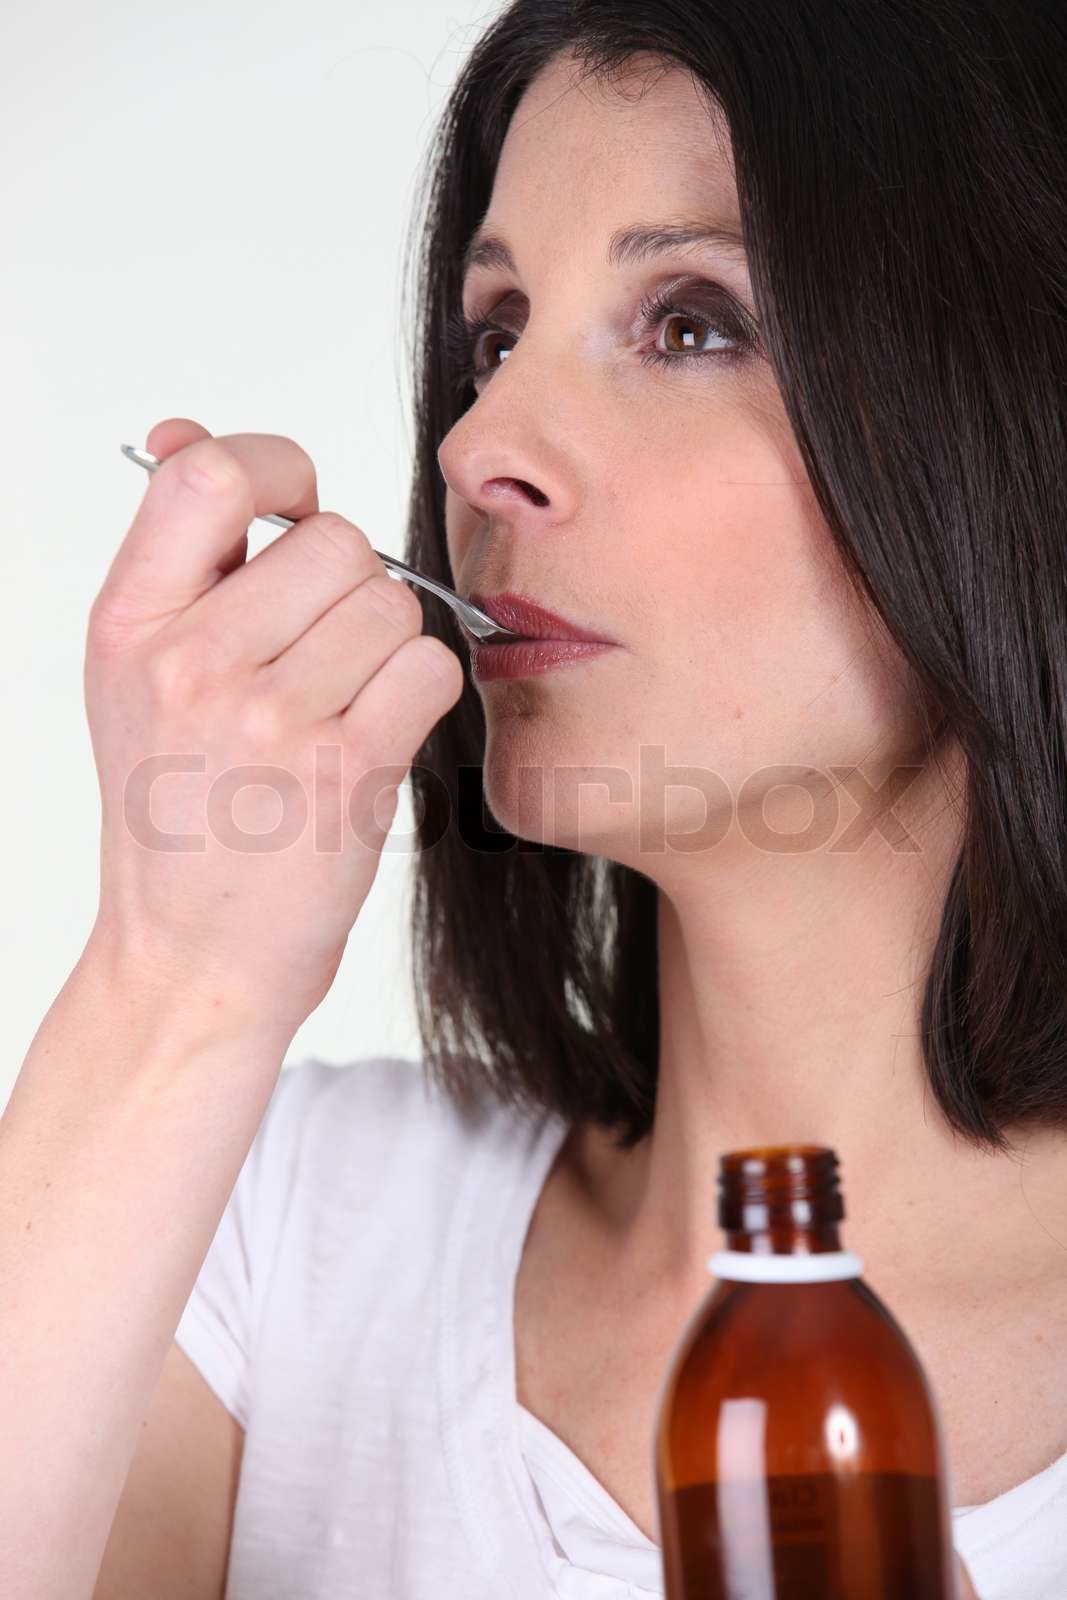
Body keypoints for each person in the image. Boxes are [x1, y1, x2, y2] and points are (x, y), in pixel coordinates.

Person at [2, 2, 1063, 1597]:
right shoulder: (275, 1228)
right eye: (495, 333)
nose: (481, 441)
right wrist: (177, 986)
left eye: (694, 319)